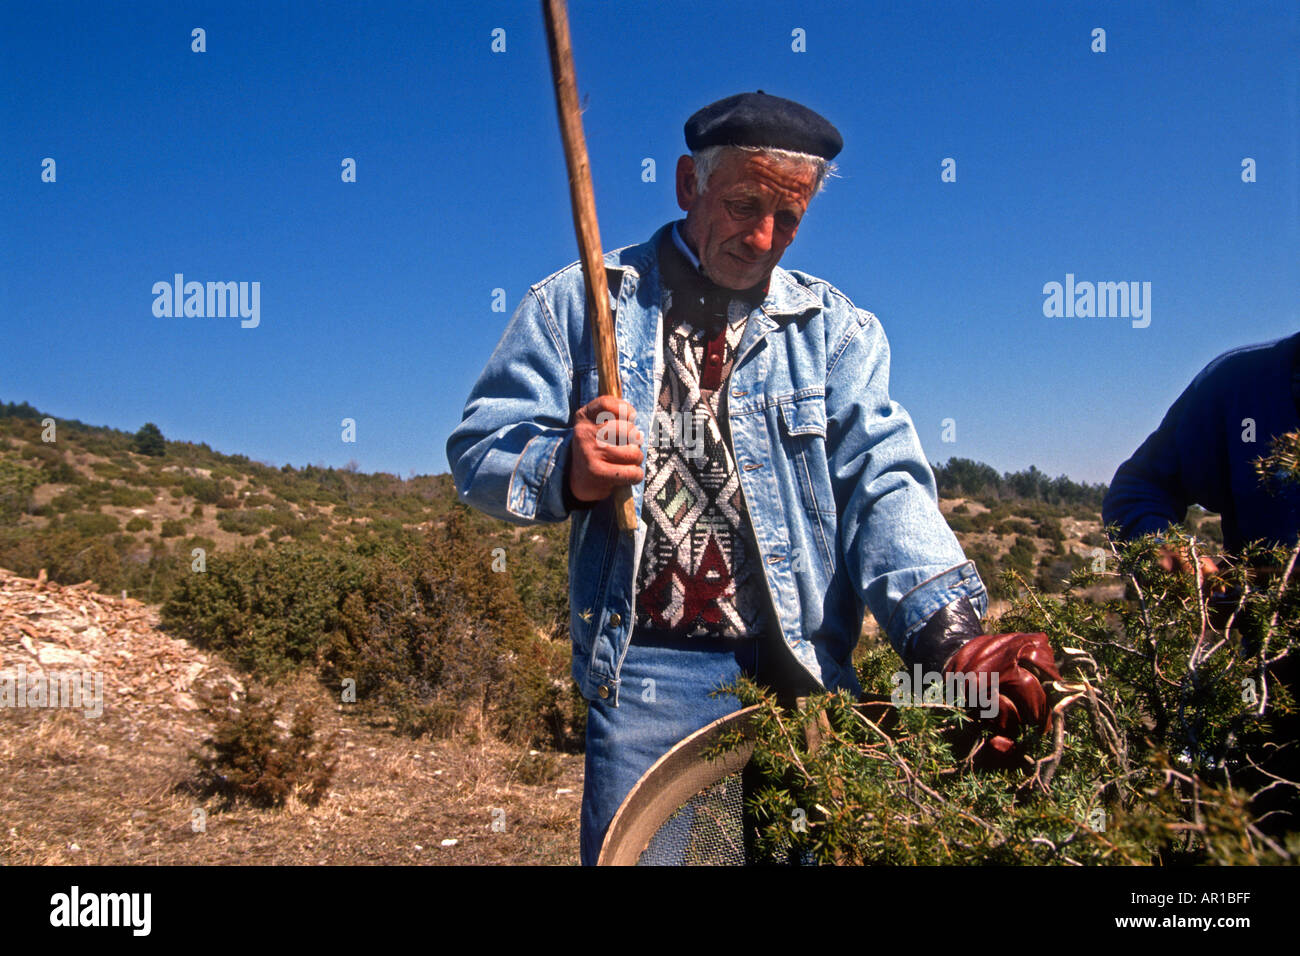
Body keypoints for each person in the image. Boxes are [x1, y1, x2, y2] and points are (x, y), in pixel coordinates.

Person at [447, 91, 1058, 865]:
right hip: (648, 674)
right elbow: (478, 449)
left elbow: (883, 481)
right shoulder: (580, 303)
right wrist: (565, 469)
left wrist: (949, 638)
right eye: (743, 205)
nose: (764, 237)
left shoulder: (837, 332)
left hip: (799, 668)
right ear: (687, 186)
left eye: (790, 219)